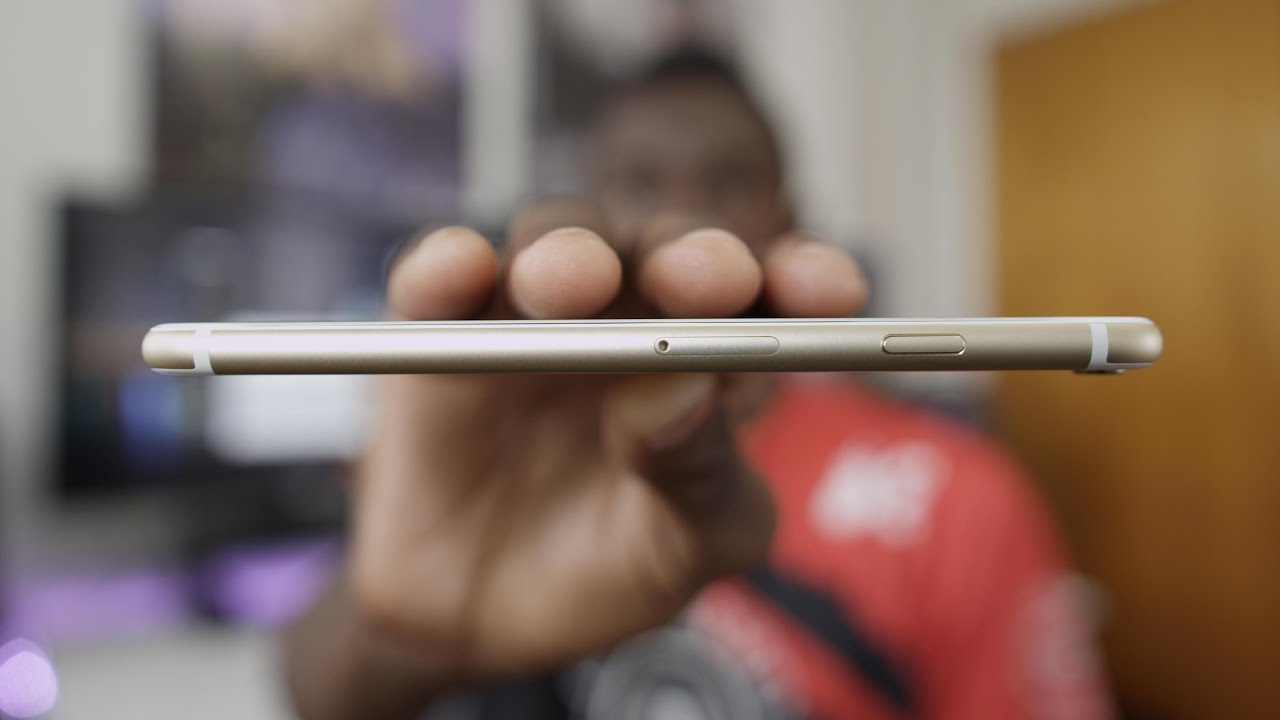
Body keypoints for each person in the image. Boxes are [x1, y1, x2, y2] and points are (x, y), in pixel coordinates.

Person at [285, 50, 1112, 720]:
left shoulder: (957, 496)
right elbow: (314, 693)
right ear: (589, 213)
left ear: (790, 219)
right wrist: (414, 627)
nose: (682, 218)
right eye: (639, 185)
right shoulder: (513, 436)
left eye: (729, 184)